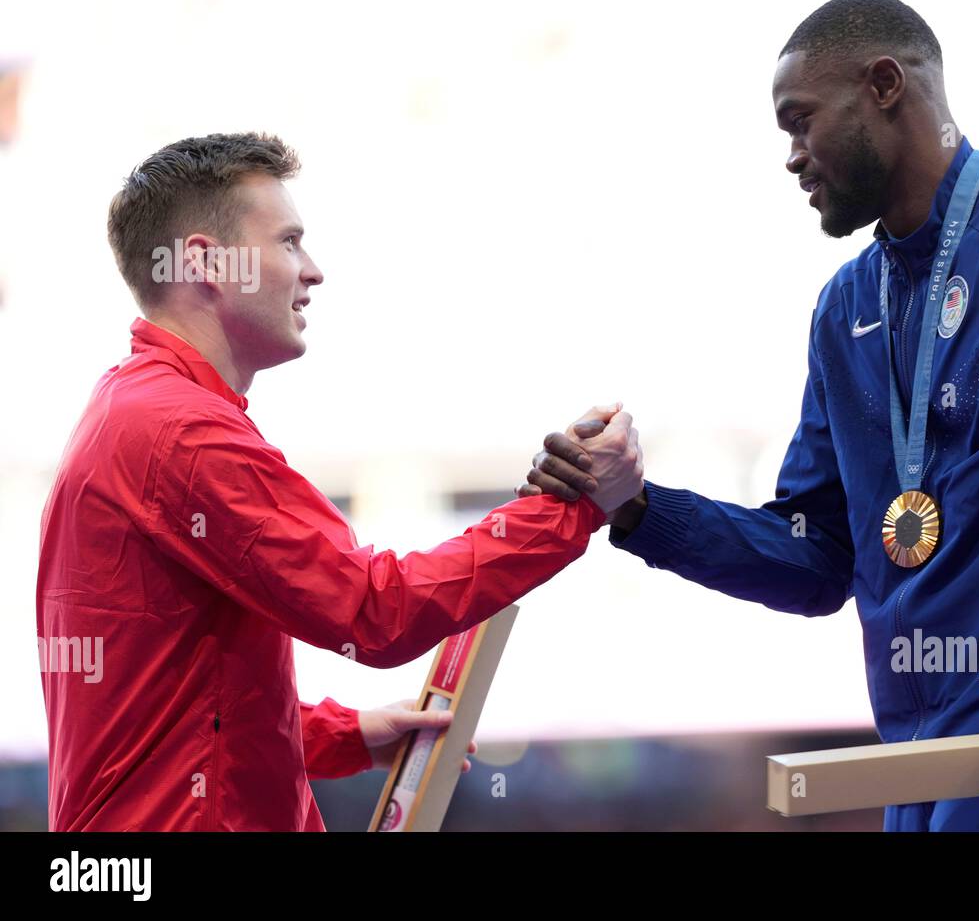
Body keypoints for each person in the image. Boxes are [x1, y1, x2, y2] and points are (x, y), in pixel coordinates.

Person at [518, 0, 979, 831]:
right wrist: (640, 509)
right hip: (921, 747)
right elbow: (819, 558)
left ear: (883, 85)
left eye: (800, 122)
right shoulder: (846, 308)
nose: (793, 157)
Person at [36, 132, 643, 830]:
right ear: (205, 261)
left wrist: (341, 735)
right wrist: (574, 507)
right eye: (289, 242)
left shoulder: (130, 408)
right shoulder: (181, 432)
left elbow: (164, 702)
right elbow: (377, 612)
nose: (313, 270)